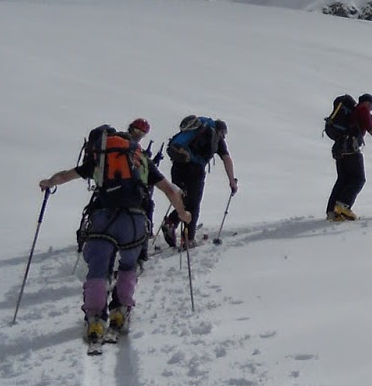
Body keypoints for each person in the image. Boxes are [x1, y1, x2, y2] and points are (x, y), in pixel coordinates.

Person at [39, 119, 191, 345]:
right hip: (134, 219)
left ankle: (95, 318)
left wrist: (49, 182)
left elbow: (66, 176)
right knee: (129, 265)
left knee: (98, 268)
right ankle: (121, 310)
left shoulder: (99, 159)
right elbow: (169, 189)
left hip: (103, 217)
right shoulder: (141, 160)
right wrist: (183, 213)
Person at [161, 116, 237, 249]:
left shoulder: (196, 130)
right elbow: (226, 158)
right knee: (193, 204)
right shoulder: (215, 136)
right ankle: (188, 239)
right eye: (224, 134)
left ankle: (171, 222)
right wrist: (232, 181)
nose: (223, 138)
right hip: (195, 170)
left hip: (178, 166)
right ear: (221, 130)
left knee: (182, 199)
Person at [328, 93, 372, 221]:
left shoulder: (353, 112)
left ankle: (332, 212)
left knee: (342, 180)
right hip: (352, 150)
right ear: (367, 102)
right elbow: (370, 128)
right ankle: (343, 207)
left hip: (340, 150)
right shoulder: (362, 109)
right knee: (359, 179)